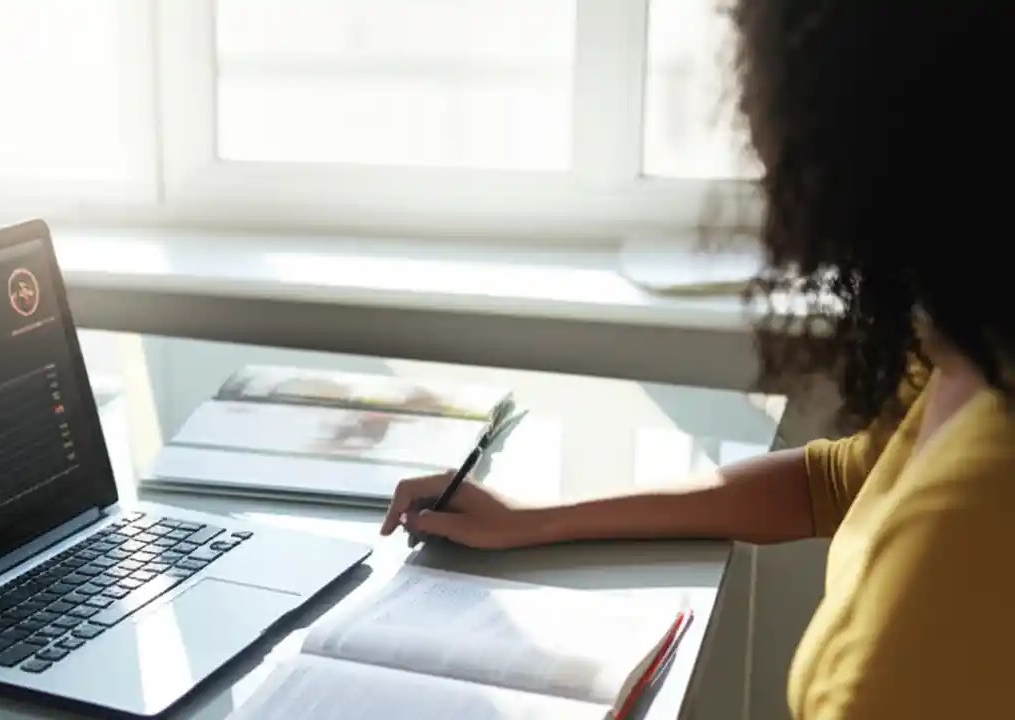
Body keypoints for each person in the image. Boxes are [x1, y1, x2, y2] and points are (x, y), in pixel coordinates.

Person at [382, 3, 1013, 718]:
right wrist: (531, 518)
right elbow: (833, 482)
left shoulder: (969, 521)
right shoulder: (968, 358)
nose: (742, 107)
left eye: (755, 61)